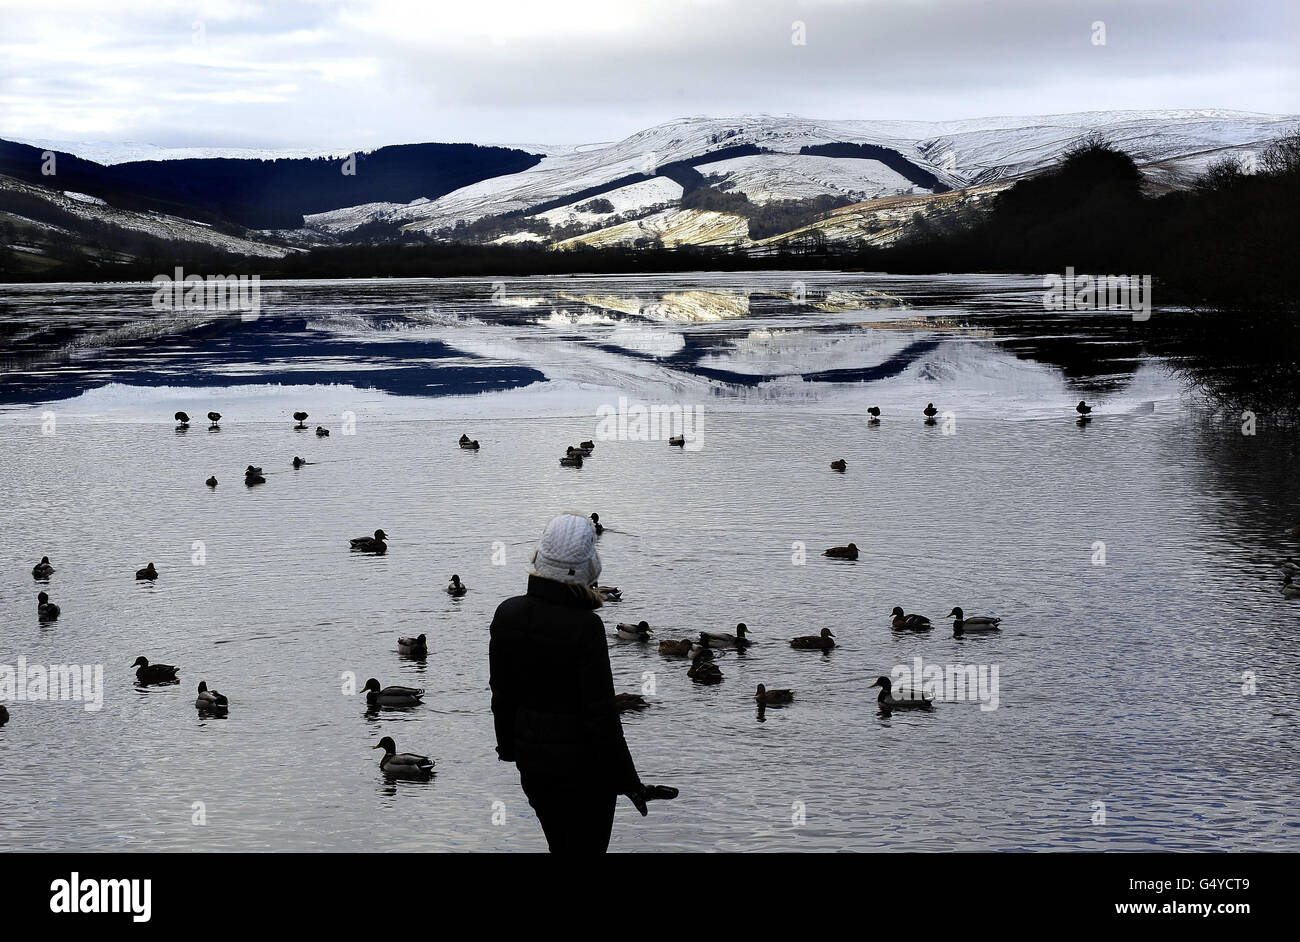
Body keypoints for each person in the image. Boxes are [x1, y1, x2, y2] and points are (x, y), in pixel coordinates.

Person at [489, 512, 656, 852]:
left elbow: (502, 695)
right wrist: (629, 781)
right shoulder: (585, 627)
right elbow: (601, 717)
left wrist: (509, 749)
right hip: (585, 771)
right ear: (590, 566)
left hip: (533, 766)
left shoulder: (506, 614)